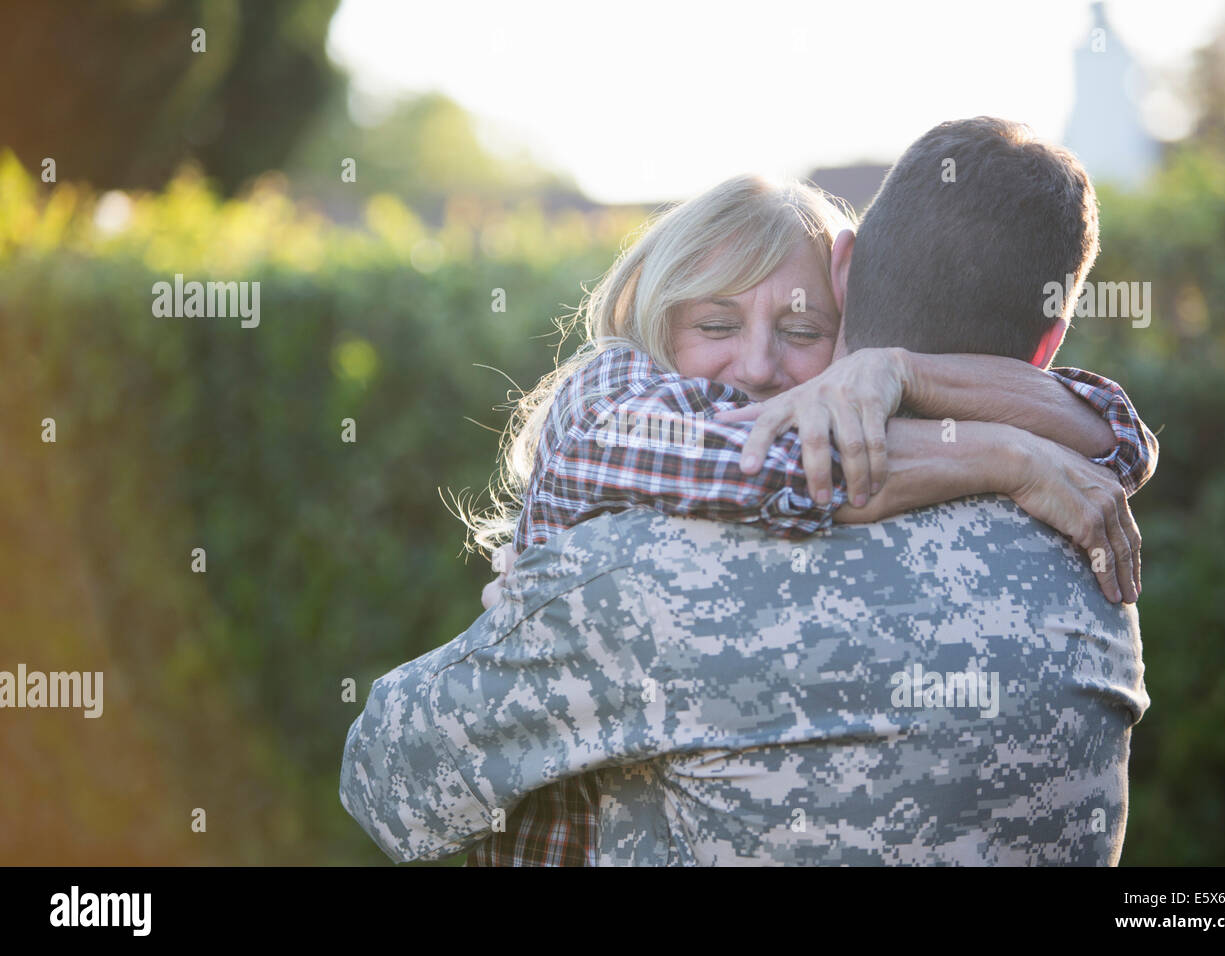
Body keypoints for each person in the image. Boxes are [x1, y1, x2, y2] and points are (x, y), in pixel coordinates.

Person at [341, 117, 1155, 865]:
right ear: (654, 324)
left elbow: (1115, 431)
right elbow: (769, 463)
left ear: (847, 304)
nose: (759, 366)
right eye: (715, 326)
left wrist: (911, 380)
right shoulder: (612, 402)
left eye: (802, 332)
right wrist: (1009, 457)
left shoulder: (658, 563)